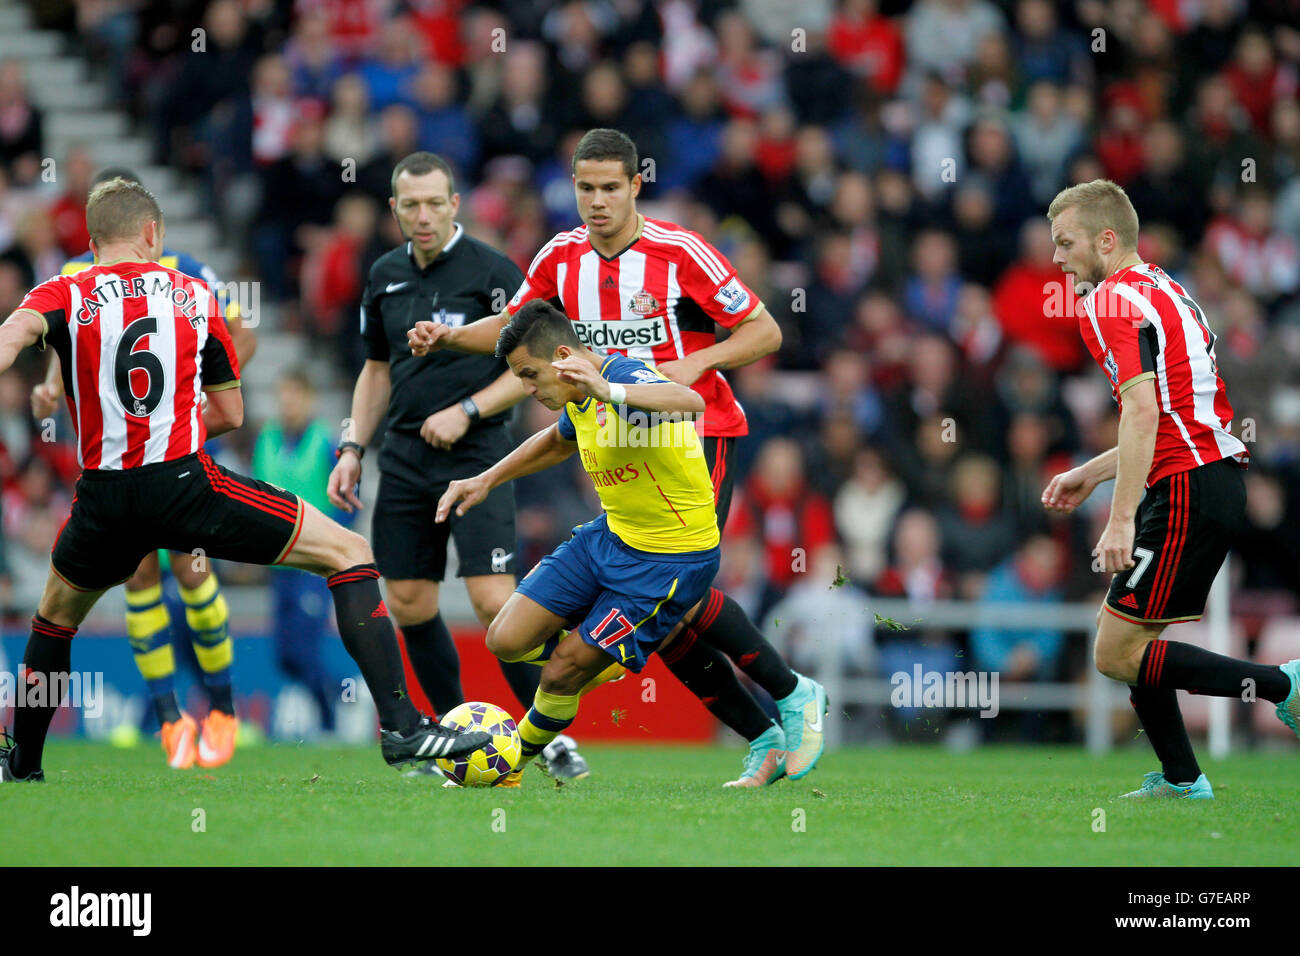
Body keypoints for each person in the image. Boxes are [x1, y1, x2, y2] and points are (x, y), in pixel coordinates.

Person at [0, 177, 488, 783]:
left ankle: (21, 763)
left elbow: (14, 336)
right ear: (153, 234)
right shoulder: (193, 295)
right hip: (183, 486)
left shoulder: (62, 291)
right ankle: (402, 728)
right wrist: (169, 429)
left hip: (102, 498)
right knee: (350, 553)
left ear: (93, 240)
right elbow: (229, 413)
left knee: (54, 619)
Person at [409, 128, 827, 785]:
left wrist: (695, 363)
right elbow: (519, 331)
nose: (597, 201)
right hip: (611, 434)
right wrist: (451, 336)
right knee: (668, 612)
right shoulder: (559, 258)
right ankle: (768, 728)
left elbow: (765, 329)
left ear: (636, 185)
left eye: (611, 187)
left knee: (678, 590)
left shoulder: (679, 251)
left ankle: (791, 695)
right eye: (585, 188)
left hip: (698, 430)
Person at [438, 299, 792, 788]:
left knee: (559, 672)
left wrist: (611, 390)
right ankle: (601, 656)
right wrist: (485, 479)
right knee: (505, 640)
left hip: (670, 559)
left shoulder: (624, 374)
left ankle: (509, 762)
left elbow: (689, 402)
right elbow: (558, 441)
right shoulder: (576, 397)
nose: (527, 389)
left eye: (530, 374)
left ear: (564, 356)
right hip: (609, 537)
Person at [323, 152, 593, 780]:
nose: (422, 215)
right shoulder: (384, 275)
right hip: (406, 458)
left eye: (433, 203)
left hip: (479, 456)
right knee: (411, 601)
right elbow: (376, 370)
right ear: (393, 209)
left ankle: (546, 738)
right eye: (409, 204)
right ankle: (453, 737)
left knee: (494, 599)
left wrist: (468, 410)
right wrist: (352, 448)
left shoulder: (494, 272)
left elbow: (532, 368)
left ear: (455, 204)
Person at [1042, 179, 1300, 799]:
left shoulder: (1106, 303)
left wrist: (1120, 516)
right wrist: (1091, 472)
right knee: (1133, 642)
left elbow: (1143, 414)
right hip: (1208, 478)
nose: (1057, 259)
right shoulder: (1168, 289)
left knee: (1112, 651)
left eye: (1065, 242)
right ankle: (1184, 779)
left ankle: (1283, 687)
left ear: (1106, 240)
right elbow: (1173, 416)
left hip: (1186, 487)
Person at [30, 166, 257, 770]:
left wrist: (196, 403)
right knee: (138, 578)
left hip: (176, 449)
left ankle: (223, 709)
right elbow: (70, 342)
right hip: (114, 457)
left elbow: (237, 334)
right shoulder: (81, 275)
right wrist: (55, 383)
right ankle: (168, 717)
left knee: (188, 569)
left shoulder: (187, 276)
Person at [252, 368, 344, 735]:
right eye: (282, 396)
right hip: (278, 564)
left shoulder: (325, 442)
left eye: (294, 396)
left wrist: (337, 548)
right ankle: (337, 693)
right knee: (284, 657)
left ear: (308, 399)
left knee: (305, 650)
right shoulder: (267, 439)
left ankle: (330, 719)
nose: (287, 404)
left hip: (314, 563)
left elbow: (346, 500)